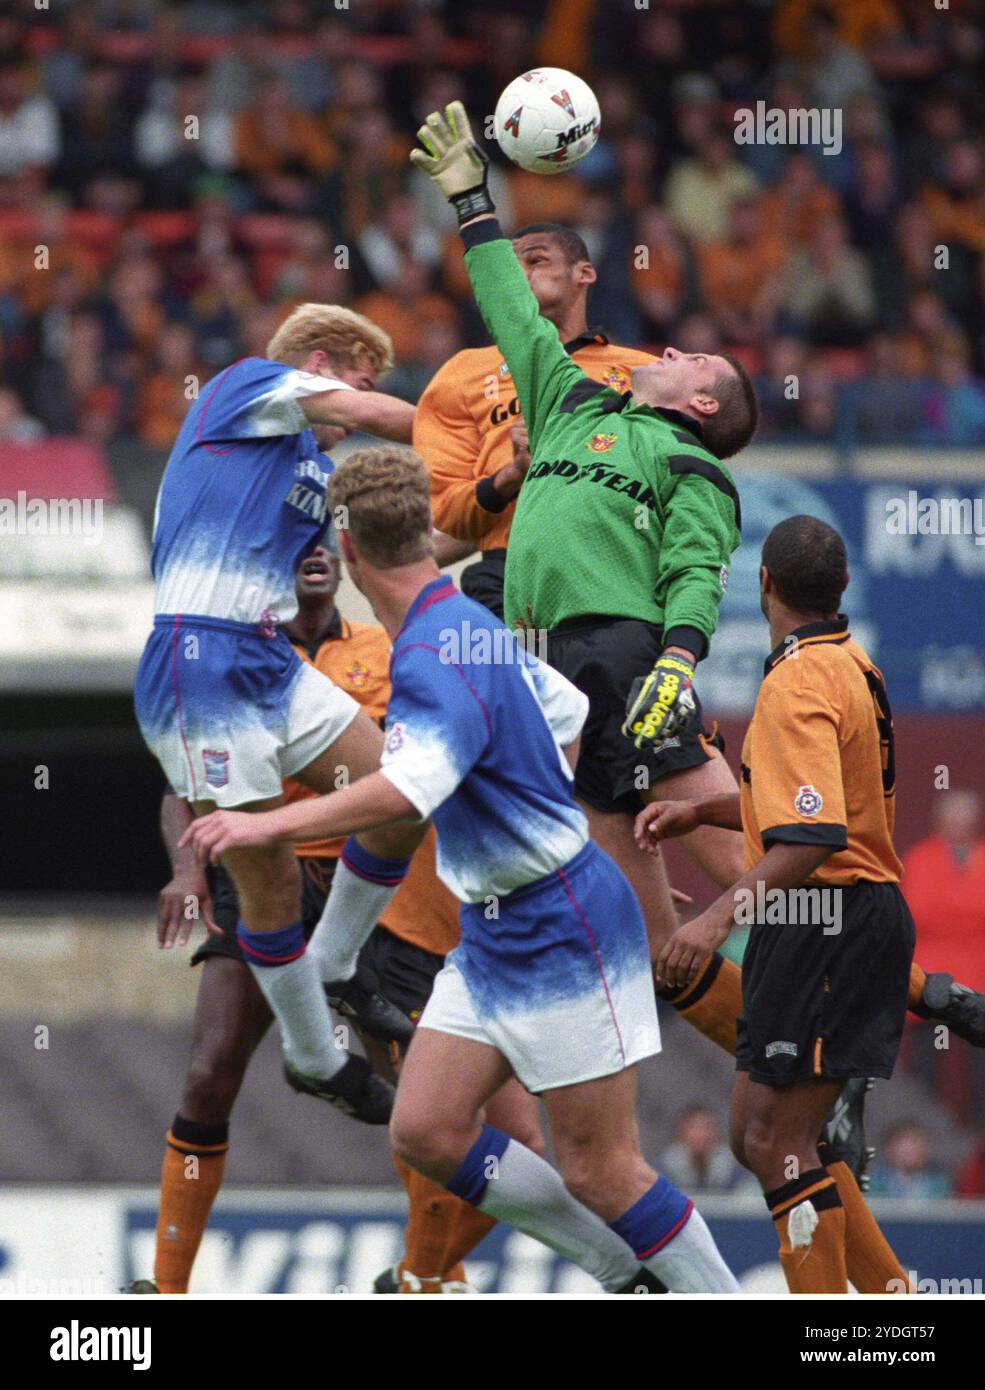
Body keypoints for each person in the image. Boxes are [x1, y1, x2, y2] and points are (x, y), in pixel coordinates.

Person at [183, 446, 738, 1295]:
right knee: (428, 1130)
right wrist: (528, 789)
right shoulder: (464, 621)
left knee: (601, 1170)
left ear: (353, 551)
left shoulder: (432, 656)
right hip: (490, 929)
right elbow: (569, 708)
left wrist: (269, 823)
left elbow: (405, 794)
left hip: (561, 926)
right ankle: (625, 1274)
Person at [137, 544, 537, 1295]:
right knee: (209, 1071)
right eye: (293, 542)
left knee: (432, 1109)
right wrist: (188, 870)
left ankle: (423, 1271)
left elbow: (437, 764)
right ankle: (165, 1289)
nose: (311, 550)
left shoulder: (387, 650)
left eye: (324, 536)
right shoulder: (232, 655)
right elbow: (179, 781)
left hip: (371, 884)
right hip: (259, 873)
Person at [133, 302, 428, 1119]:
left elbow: (396, 543)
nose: (358, 409)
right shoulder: (247, 387)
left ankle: (332, 964)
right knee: (265, 889)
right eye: (359, 380)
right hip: (199, 662)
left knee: (407, 793)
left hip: (265, 658)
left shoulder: (299, 460)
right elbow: (369, 415)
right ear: (321, 364)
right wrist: (467, 422)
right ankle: (311, 1054)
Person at [638, 515, 917, 1295]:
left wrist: (712, 917)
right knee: (761, 1136)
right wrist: (706, 812)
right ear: (842, 588)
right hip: (844, 922)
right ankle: (891, 1311)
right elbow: (813, 808)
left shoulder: (797, 681)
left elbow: (815, 835)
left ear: (762, 584)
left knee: (774, 1138)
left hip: (826, 925)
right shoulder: (849, 662)